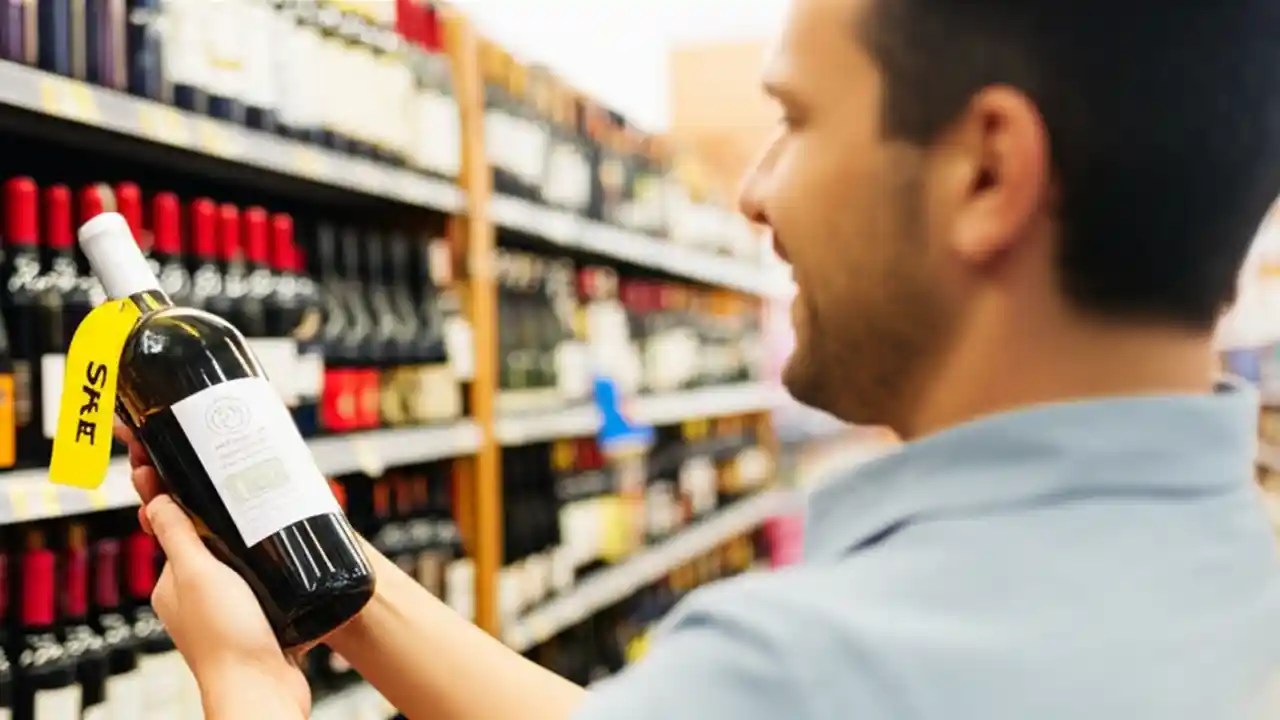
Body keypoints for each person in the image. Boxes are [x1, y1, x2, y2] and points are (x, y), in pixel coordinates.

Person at [118, 0, 1280, 717]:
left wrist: (252, 690)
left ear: (983, 171)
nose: (753, 189)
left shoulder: (824, 669)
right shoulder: (1233, 570)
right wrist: (323, 568)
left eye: (798, 118)